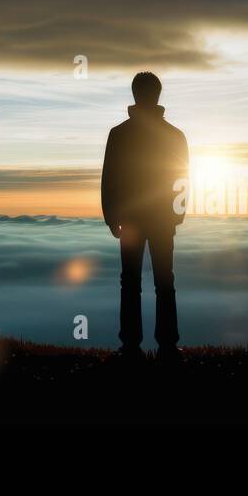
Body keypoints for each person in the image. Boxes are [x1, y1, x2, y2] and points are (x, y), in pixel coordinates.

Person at [100, 71, 189, 360]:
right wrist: (178, 214)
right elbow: (182, 180)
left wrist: (111, 215)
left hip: (132, 219)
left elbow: (109, 178)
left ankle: (130, 347)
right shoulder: (175, 135)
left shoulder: (119, 133)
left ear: (135, 94)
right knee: (164, 280)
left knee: (131, 281)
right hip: (162, 219)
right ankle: (167, 345)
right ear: (157, 95)